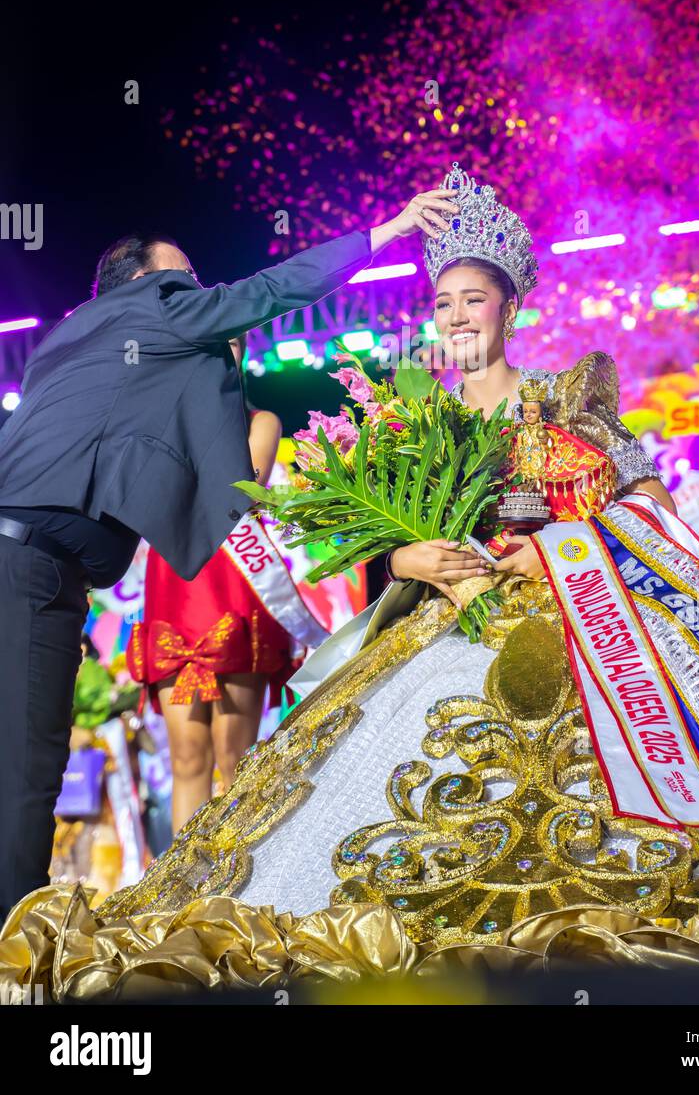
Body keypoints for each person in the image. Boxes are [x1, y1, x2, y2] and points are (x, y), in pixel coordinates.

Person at [3, 166, 699, 995]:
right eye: (443, 301)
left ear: (510, 307)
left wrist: (561, 549)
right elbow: (379, 547)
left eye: (473, 299)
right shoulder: (414, 419)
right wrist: (407, 560)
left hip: (587, 623)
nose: (456, 316)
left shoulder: (567, 395)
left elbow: (646, 503)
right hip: (440, 624)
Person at [0, 186, 458, 923]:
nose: (199, 296)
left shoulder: (67, 342)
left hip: (37, 567)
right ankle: (10, 960)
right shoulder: (159, 306)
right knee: (23, 775)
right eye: (185, 280)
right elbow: (271, 291)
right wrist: (389, 230)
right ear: (150, 283)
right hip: (29, 570)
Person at [126, 335, 313, 834]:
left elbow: (239, 489)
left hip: (234, 587)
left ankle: (235, 896)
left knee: (236, 760)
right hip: (174, 589)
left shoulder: (261, 423)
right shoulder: (158, 421)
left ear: (242, 352)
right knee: (186, 758)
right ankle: (182, 896)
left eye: (229, 341)